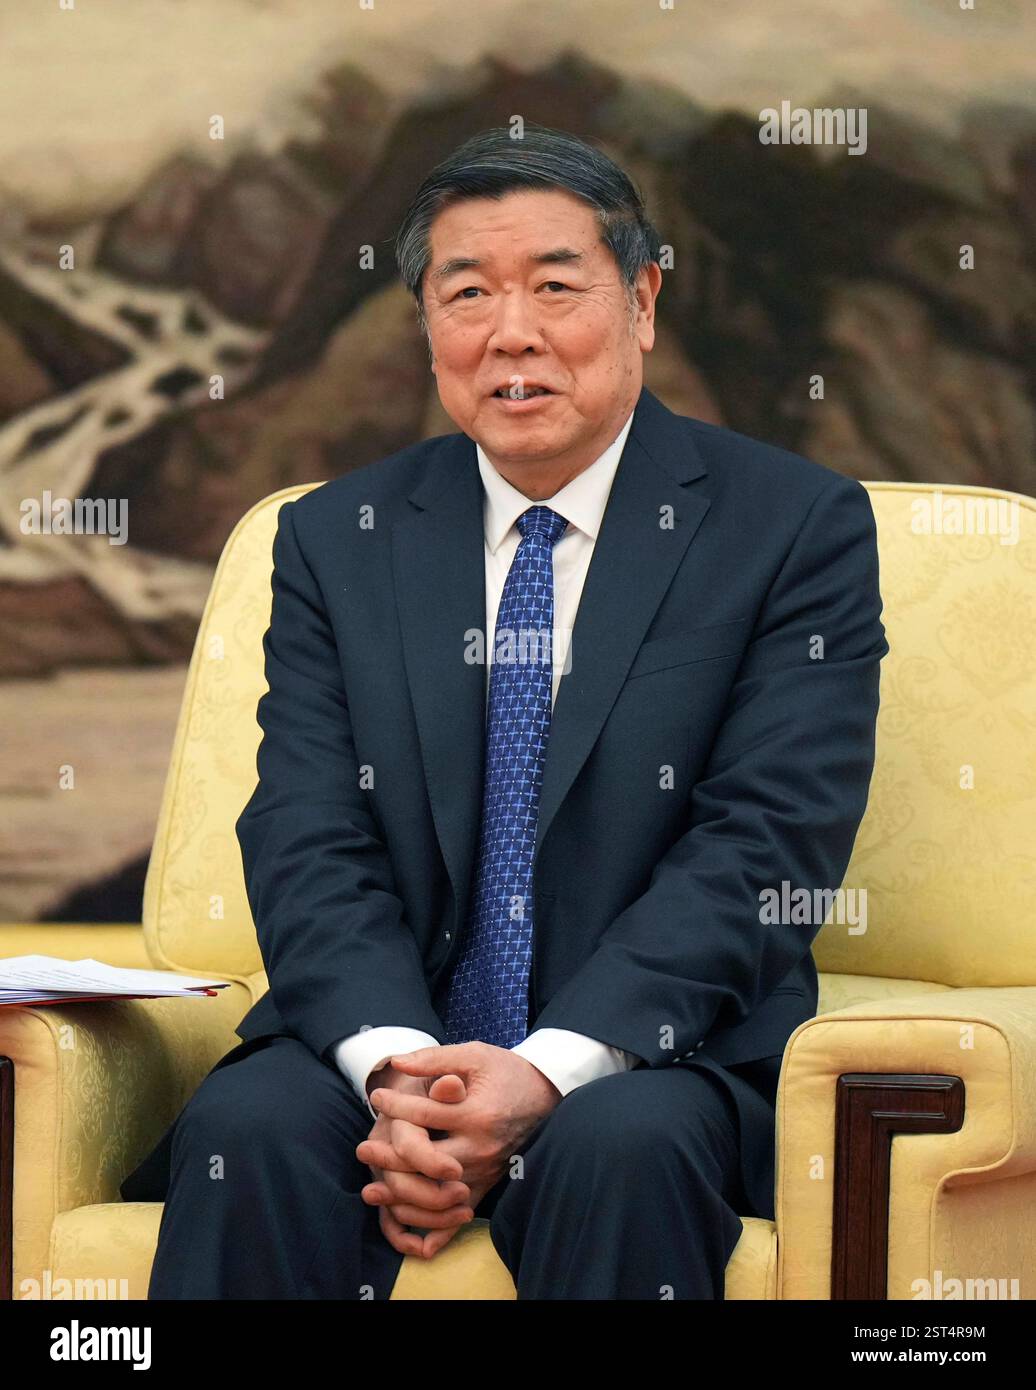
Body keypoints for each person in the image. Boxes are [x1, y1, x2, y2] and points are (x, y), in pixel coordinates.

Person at [120, 123, 888, 1300]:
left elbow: (768, 841)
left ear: (640, 300)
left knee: (615, 1148)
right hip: (388, 1035)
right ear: (426, 323)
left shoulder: (789, 527)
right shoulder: (338, 538)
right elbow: (306, 831)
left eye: (555, 286)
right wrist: (399, 1072)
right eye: (465, 292)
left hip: (654, 1049)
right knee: (253, 1131)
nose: (510, 332)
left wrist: (545, 1070)